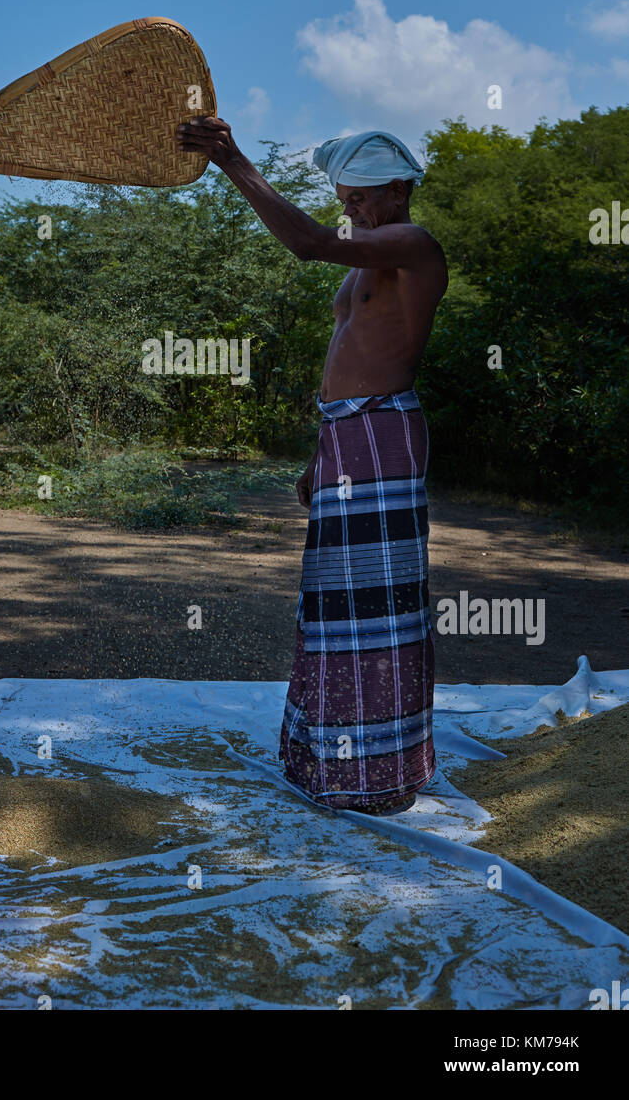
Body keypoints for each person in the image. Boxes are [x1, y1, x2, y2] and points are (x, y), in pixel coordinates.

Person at [176, 118, 448, 816]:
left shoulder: (413, 245)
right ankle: (334, 756)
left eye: (360, 198)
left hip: (383, 433)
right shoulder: (366, 254)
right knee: (336, 603)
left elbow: (306, 243)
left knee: (377, 605)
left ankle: (380, 772)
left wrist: (232, 161)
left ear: (398, 188)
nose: (350, 209)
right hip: (345, 436)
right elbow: (345, 352)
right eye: (344, 198)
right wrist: (316, 453)